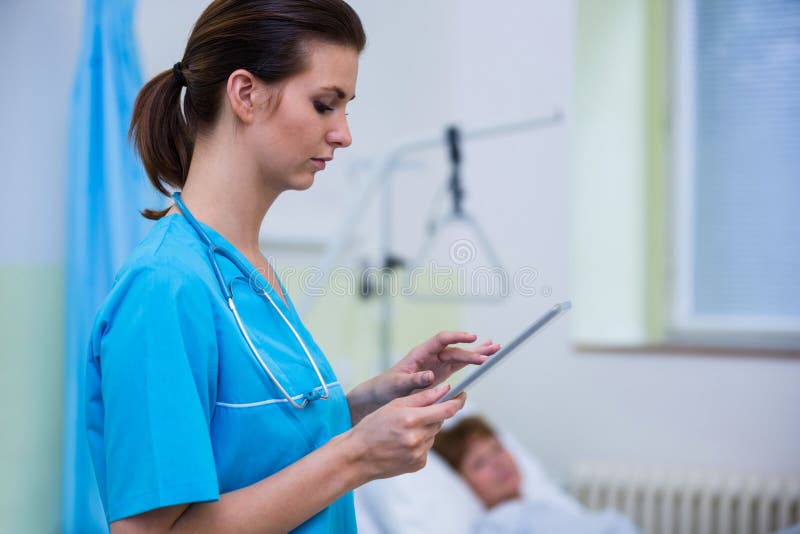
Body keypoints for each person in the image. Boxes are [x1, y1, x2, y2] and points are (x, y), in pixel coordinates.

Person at [84, 1, 501, 532]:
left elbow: (258, 446)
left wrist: (371, 401)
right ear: (246, 94)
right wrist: (355, 457)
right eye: (326, 105)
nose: (344, 134)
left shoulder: (247, 267)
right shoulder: (164, 288)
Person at [433, 416, 639, 534]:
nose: (498, 462)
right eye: (479, 463)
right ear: (462, 482)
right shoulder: (498, 524)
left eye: (497, 449)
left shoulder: (542, 506)